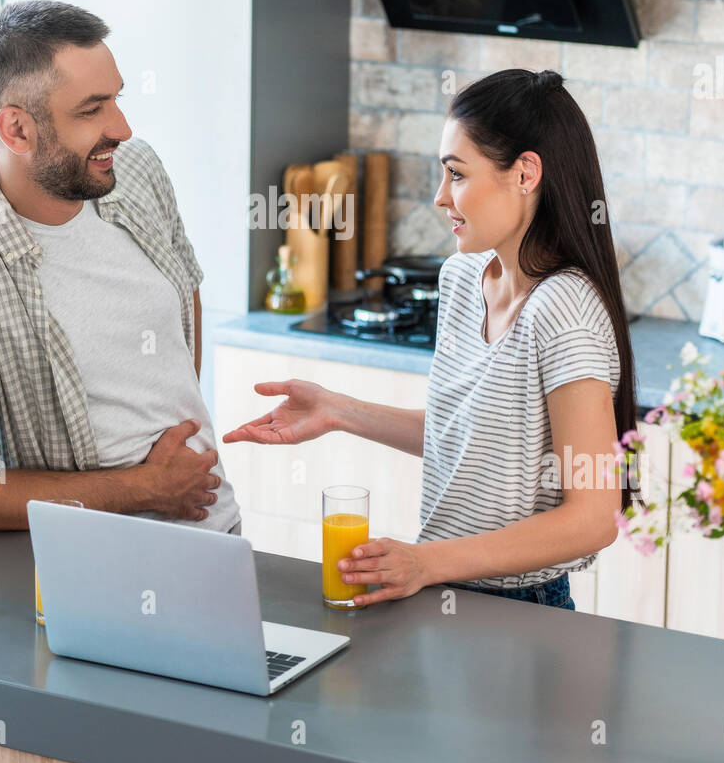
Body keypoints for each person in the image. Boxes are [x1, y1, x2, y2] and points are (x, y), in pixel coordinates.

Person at [224, 68, 644, 610]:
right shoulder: (464, 278)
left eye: (457, 175)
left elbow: (592, 518)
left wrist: (425, 562)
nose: (440, 197)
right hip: (443, 591)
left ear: (525, 174)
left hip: (521, 607)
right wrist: (338, 411)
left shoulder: (564, 308)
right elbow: (472, 443)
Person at [0, 0, 240, 534]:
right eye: (91, 109)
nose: (122, 128)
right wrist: (148, 488)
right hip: (89, 569)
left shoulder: (135, 170)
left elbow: (183, 290)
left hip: (218, 532)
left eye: (117, 99)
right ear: (17, 131)